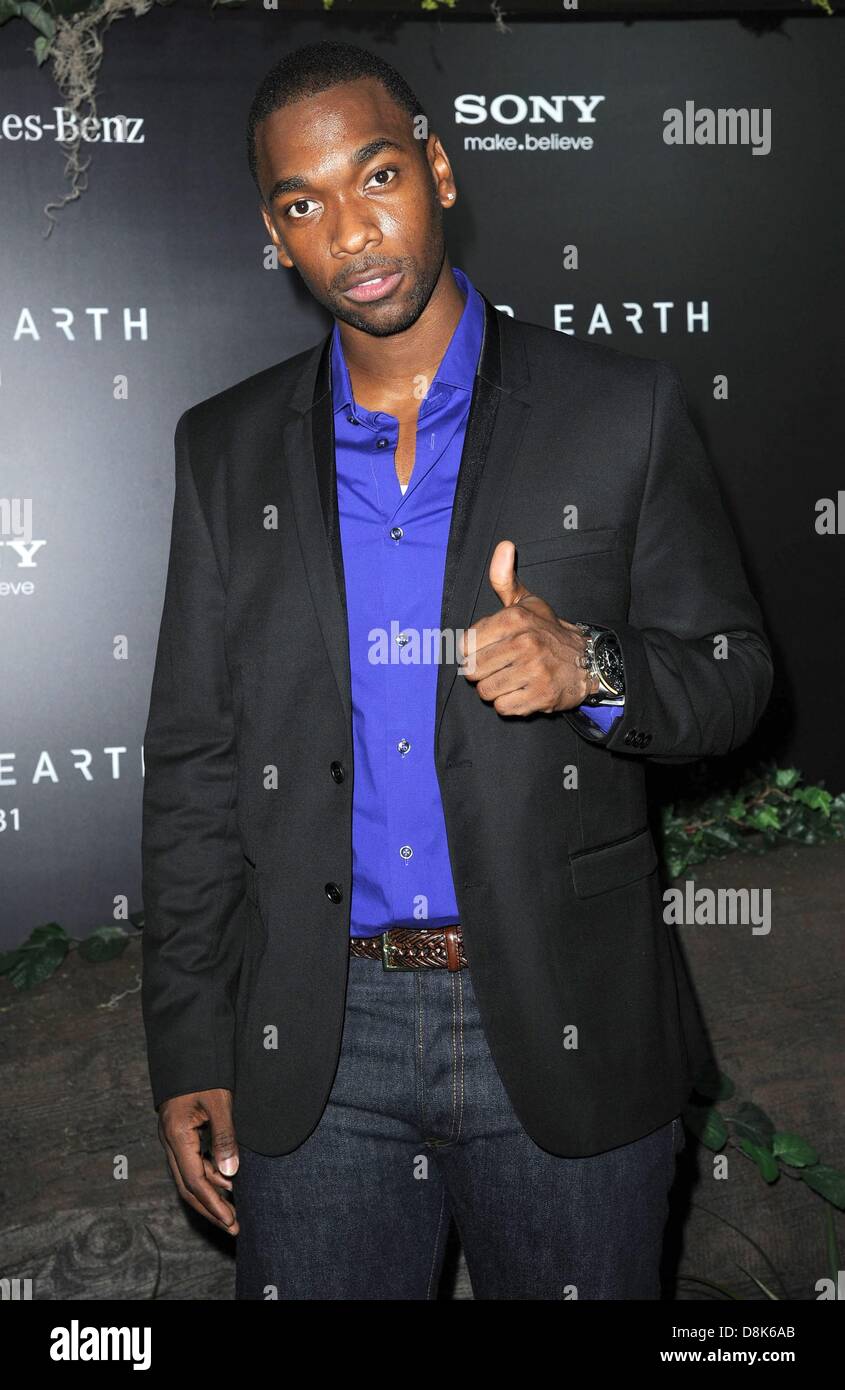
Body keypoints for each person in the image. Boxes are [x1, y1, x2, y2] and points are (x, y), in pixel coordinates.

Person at [140, 40, 773, 1300]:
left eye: (375, 175)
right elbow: (195, 762)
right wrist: (190, 1041)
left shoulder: (617, 407)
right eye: (301, 204)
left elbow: (734, 673)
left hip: (556, 1009)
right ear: (275, 232)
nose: (351, 231)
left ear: (435, 166)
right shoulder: (224, 450)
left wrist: (588, 664)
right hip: (318, 1039)